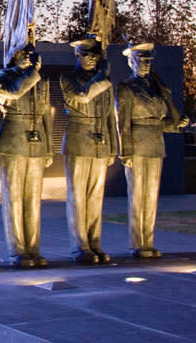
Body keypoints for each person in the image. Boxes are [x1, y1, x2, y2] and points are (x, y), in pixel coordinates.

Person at [116, 43, 189, 258]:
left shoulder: (157, 89)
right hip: (136, 145)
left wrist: (175, 125)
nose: (145, 64)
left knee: (151, 196)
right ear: (132, 62)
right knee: (137, 196)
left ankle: (148, 242)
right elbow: (123, 123)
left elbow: (158, 122)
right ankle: (137, 242)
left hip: (155, 144)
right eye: (141, 60)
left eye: (148, 61)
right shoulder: (126, 88)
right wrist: (125, 151)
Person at [0, 43, 53, 268]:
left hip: (36, 141)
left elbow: (45, 113)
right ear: (12, 54)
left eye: (30, 53)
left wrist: (48, 148)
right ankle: (17, 249)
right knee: (14, 198)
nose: (27, 57)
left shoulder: (39, 78)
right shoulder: (2, 75)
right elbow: (14, 92)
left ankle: (33, 248)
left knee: (33, 199)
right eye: (23, 53)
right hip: (13, 138)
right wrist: (33, 73)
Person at [59, 38, 117, 264]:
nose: (91, 58)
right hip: (79, 139)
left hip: (100, 141)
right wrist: (102, 77)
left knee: (95, 196)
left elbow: (111, 116)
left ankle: (95, 243)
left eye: (94, 55)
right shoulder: (69, 78)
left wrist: (113, 146)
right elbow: (81, 96)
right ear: (77, 55)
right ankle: (80, 245)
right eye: (86, 54)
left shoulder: (104, 81)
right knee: (77, 196)